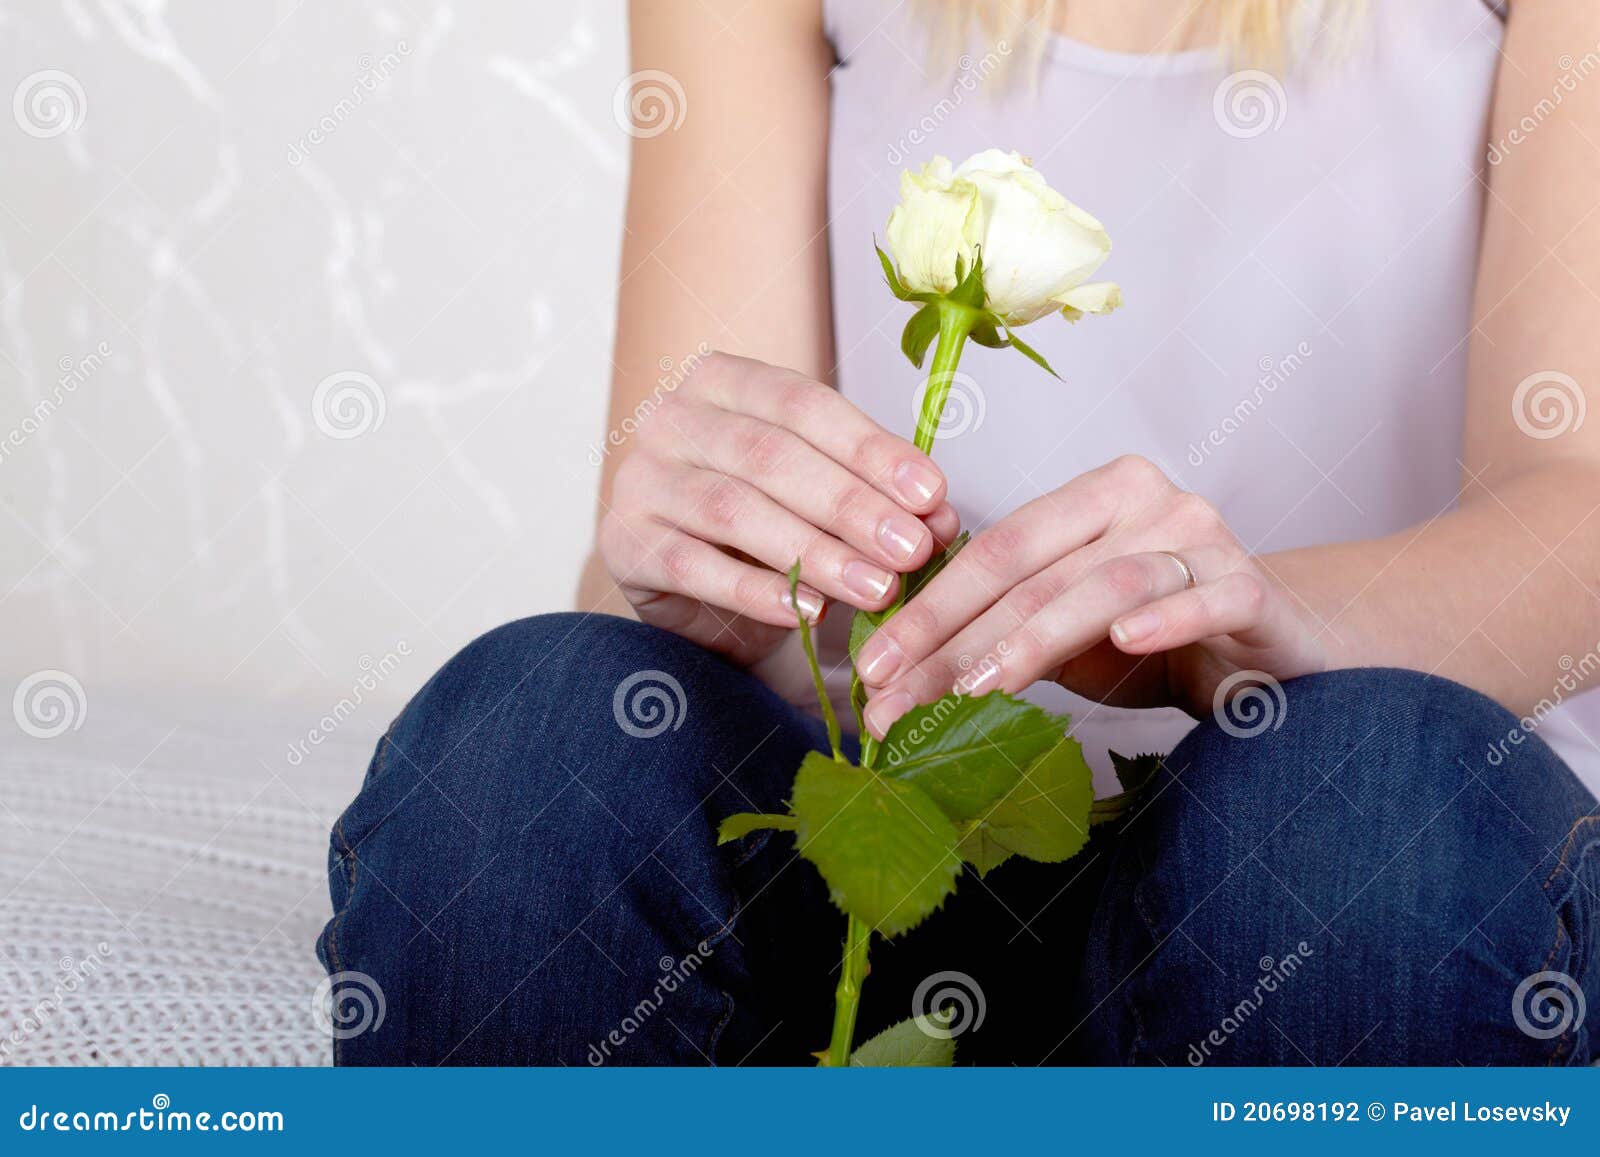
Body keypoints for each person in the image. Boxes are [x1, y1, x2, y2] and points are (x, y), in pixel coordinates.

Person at [320, 0, 1598, 1065]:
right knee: (532, 736)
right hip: (896, 851)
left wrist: (1245, 622)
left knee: (1357, 809)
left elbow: (1575, 497)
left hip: (1333, 870)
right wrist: (719, 570)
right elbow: (644, 559)